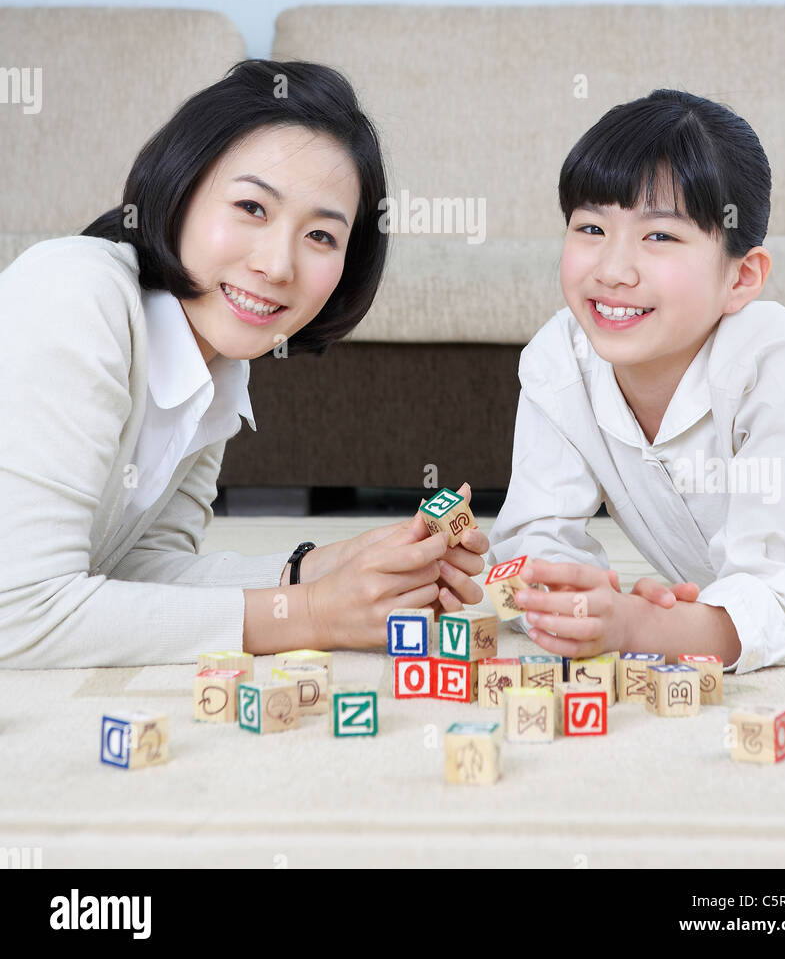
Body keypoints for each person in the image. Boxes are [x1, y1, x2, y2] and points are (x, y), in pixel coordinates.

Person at [0, 59, 487, 669]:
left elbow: (138, 572)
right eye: (253, 208)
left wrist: (328, 566)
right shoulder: (75, 295)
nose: (278, 265)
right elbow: (15, 612)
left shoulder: (220, 362)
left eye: (321, 237)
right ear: (180, 188)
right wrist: (313, 614)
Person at [487, 88, 785, 673]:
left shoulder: (780, 367)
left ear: (741, 277)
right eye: (590, 228)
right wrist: (565, 598)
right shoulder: (559, 361)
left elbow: (776, 594)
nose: (613, 270)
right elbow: (534, 537)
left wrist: (644, 627)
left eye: (659, 236)